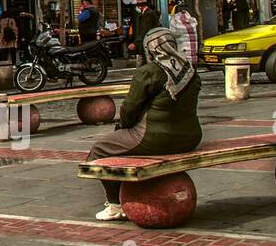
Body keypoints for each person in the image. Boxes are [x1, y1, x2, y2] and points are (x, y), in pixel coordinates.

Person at [86, 28, 202, 221]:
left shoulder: (149, 72)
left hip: (153, 137)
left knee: (99, 150)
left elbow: (130, 108)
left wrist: (122, 127)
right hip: (191, 138)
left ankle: (115, 204)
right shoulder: (190, 71)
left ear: (151, 50)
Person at [127, 0, 160, 64]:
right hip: (146, 43)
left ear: (140, 6)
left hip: (149, 43)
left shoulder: (148, 14)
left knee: (143, 63)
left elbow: (145, 30)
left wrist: (135, 43)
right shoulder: (146, 14)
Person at [168, 0, 200, 65]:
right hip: (193, 53)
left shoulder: (175, 22)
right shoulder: (193, 21)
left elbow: (173, 34)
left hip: (183, 53)